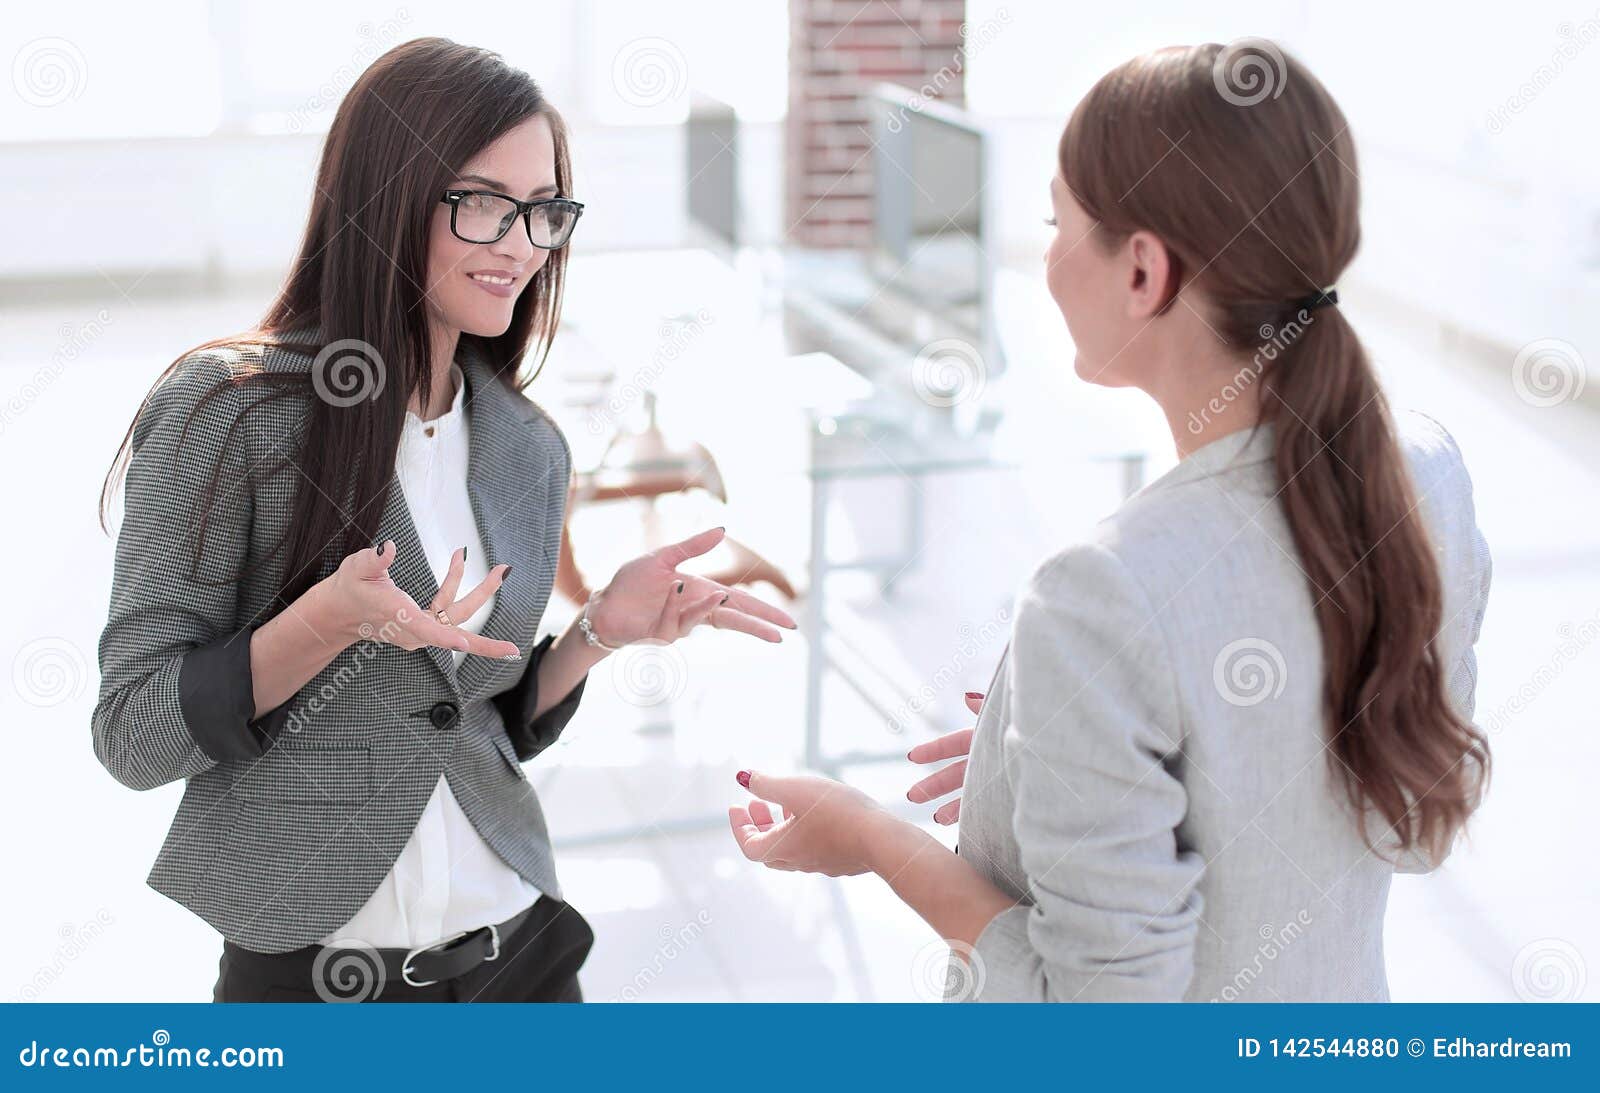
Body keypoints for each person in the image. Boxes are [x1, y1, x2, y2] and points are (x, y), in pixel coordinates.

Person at [728, 41, 1491, 1003]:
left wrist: (871, 836)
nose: (1046, 260)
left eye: (1058, 224)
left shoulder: (1101, 592)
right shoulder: (1426, 472)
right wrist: (1063, 760)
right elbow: (1398, 820)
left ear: (1142, 271)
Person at [92, 38, 794, 1003]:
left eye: (543, 210)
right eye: (483, 203)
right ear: (385, 196)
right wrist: (322, 625)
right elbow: (133, 734)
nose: (521, 245)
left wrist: (597, 632)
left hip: (519, 962)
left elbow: (469, 717)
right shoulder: (230, 413)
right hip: (312, 986)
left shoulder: (527, 444)